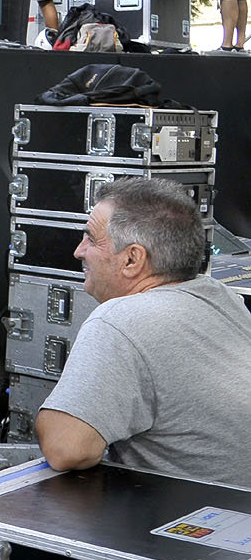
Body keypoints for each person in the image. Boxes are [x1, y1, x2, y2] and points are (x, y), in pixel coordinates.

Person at [37, 178, 251, 489]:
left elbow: (66, 449)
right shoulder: (222, 297)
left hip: (188, 526)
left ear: (132, 259)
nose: (78, 251)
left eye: (91, 240)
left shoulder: (119, 321)